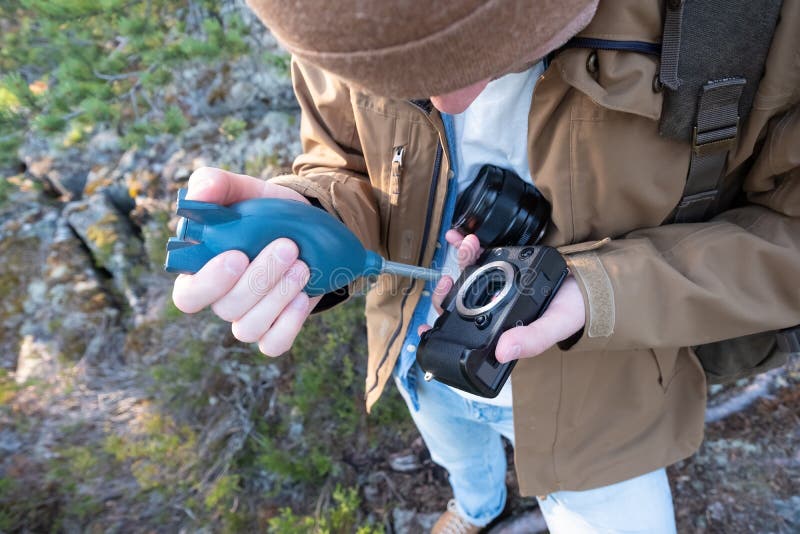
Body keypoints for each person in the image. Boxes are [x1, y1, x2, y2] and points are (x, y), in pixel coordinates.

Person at [172, 1, 800, 532]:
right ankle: (478, 508)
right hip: (416, 356)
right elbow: (345, 159)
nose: (446, 99)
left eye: (491, 56)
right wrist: (315, 213)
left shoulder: (747, 22)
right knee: (457, 455)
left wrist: (601, 292)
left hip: (603, 407)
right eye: (394, 76)